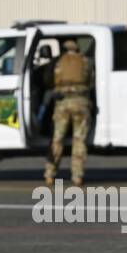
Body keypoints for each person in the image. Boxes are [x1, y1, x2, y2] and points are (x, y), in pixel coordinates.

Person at [43, 39, 93, 187]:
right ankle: (77, 176)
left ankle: (50, 174)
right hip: (81, 103)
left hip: (62, 104)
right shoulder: (87, 61)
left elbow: (47, 80)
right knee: (79, 141)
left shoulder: (58, 61)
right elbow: (91, 82)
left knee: (57, 139)